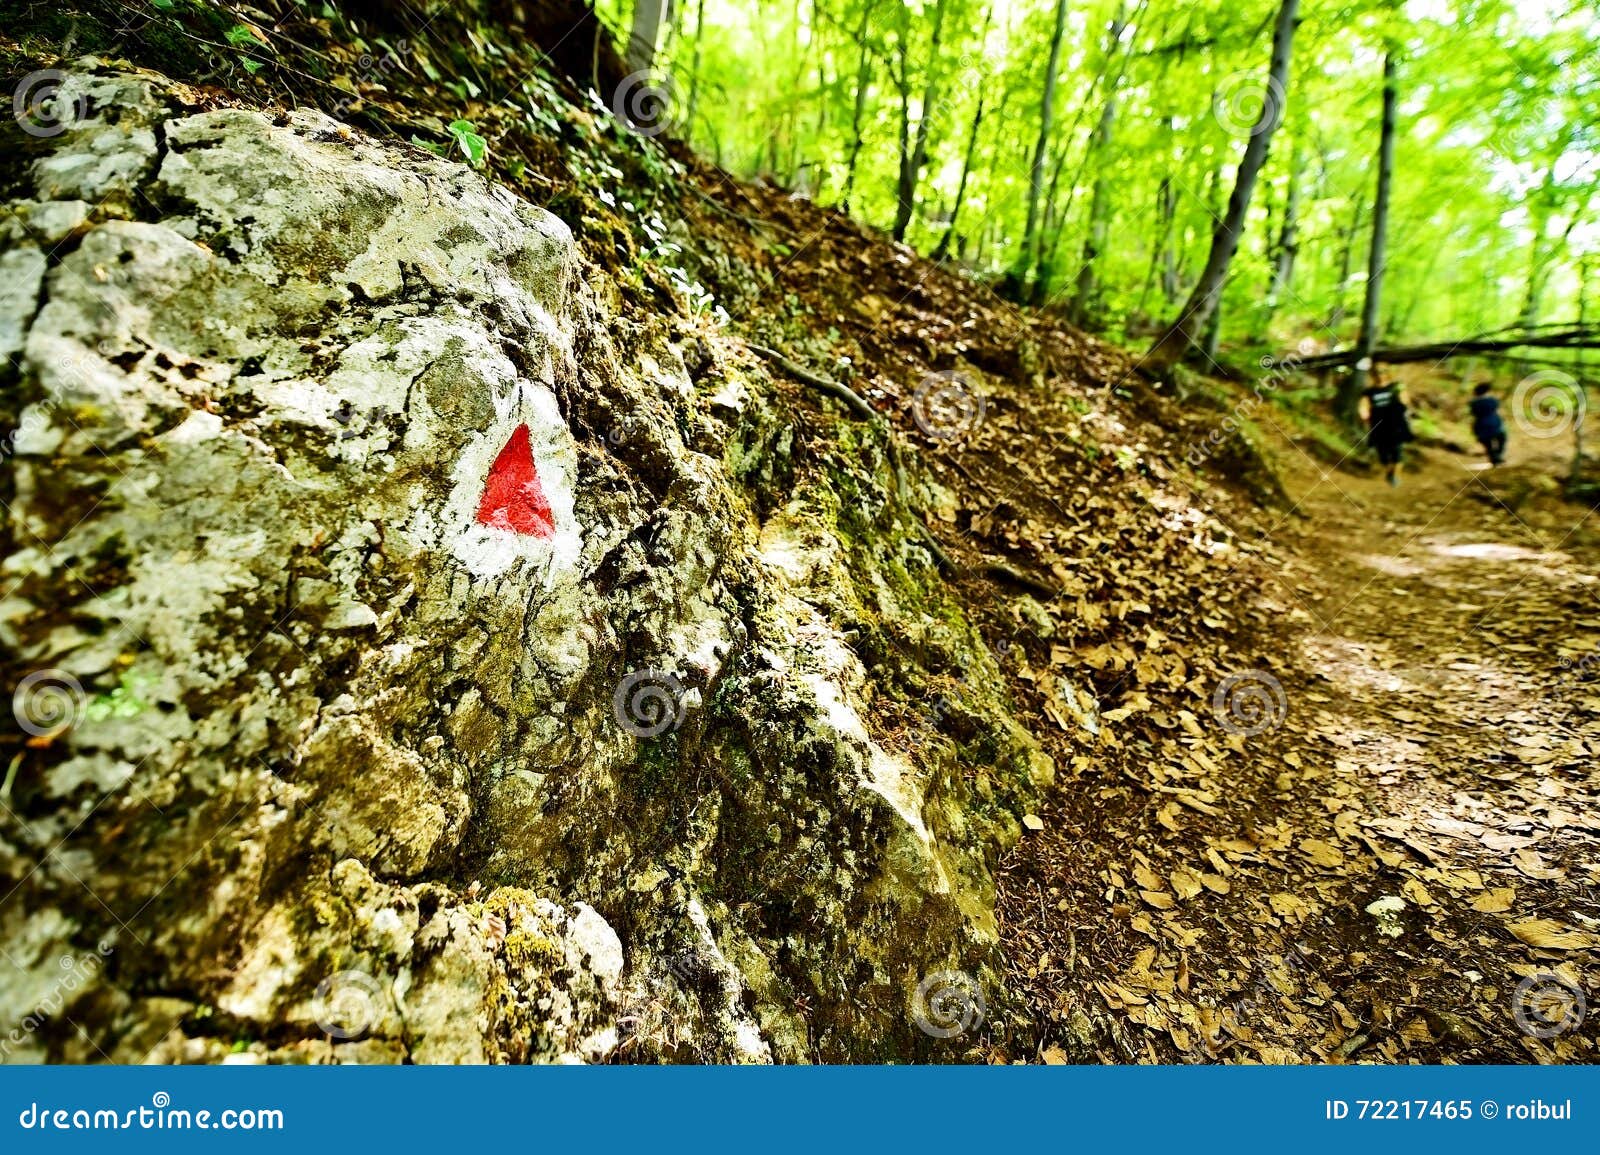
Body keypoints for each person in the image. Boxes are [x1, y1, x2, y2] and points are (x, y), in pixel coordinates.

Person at [1362, 376, 1413, 487]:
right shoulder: (1369, 392)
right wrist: (1365, 417)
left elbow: (1405, 401)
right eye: (1377, 373)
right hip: (1378, 426)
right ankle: (1389, 472)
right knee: (1382, 452)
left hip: (1395, 425)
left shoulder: (1396, 387)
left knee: (1397, 451)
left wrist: (1404, 409)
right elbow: (1363, 407)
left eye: (1383, 372)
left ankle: (1396, 475)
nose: (1380, 375)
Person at [1468, 382, 1507, 466]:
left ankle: (1494, 458)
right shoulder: (1493, 401)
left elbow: (1473, 415)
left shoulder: (1474, 403)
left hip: (1480, 424)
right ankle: (1498, 456)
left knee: (1488, 444)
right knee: (1502, 439)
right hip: (1494, 423)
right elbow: (1498, 411)